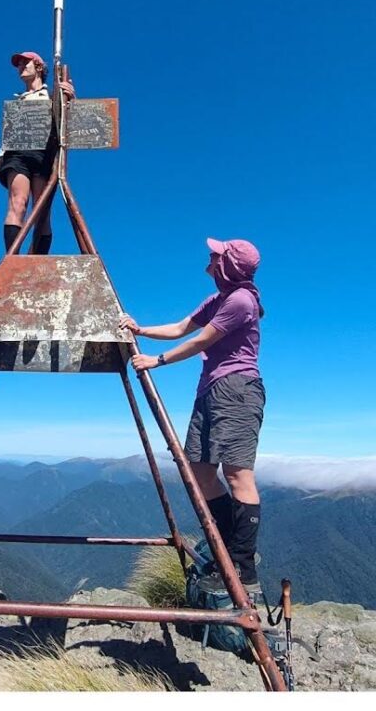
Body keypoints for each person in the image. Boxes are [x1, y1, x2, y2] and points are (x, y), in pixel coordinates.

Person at [121, 238, 267, 589]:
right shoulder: (218, 300)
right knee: (200, 472)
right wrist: (139, 329)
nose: (209, 259)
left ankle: (242, 565)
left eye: (215, 256)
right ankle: (227, 548)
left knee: (237, 475)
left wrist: (157, 361)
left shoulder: (241, 301)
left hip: (238, 391)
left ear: (227, 264)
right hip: (213, 391)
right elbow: (180, 327)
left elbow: (202, 340)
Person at [0, 51, 73, 254]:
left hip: (44, 154)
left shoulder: (53, 97)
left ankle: (37, 258)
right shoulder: (18, 102)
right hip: (18, 155)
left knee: (41, 212)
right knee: (18, 202)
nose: (21, 67)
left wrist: (70, 100)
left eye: (25, 62)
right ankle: (12, 259)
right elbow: (10, 134)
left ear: (38, 66)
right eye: (19, 64)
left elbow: (69, 124)